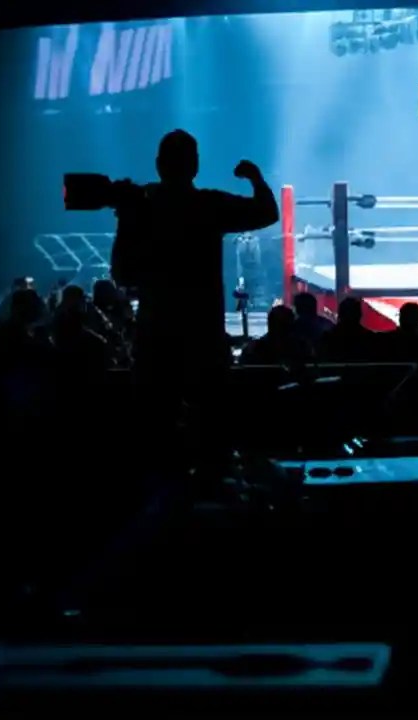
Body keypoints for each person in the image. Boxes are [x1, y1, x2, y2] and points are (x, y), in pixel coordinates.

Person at [116, 129, 279, 497]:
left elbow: (122, 274)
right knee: (213, 433)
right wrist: (256, 179)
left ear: (159, 165)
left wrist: (126, 219)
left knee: (154, 435)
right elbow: (267, 212)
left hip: (156, 338)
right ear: (195, 166)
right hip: (202, 339)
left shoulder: (142, 207)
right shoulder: (208, 205)